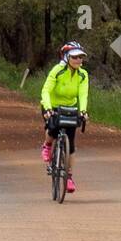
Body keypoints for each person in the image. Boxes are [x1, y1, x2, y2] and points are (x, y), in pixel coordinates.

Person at [40, 43, 89, 193]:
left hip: (70, 107)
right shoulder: (57, 70)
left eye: (80, 57)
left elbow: (83, 94)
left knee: (71, 145)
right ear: (67, 57)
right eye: (74, 57)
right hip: (52, 105)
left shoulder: (83, 74)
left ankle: (68, 177)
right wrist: (48, 108)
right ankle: (47, 145)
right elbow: (46, 90)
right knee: (52, 128)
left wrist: (83, 111)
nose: (78, 60)